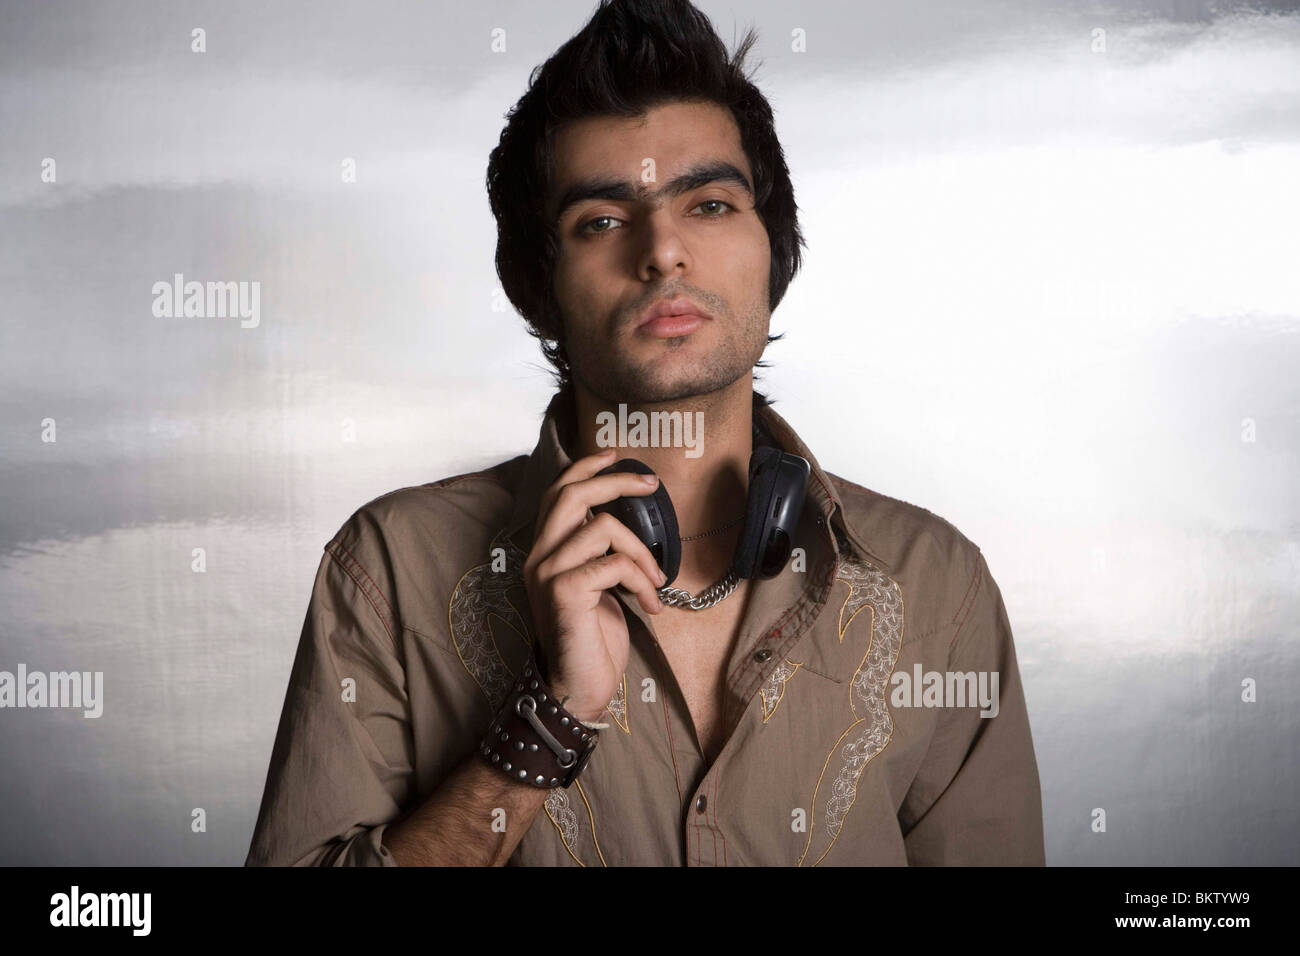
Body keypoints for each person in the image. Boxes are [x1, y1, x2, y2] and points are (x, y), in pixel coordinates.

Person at [245, 0, 1044, 867]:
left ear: (774, 252)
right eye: (602, 221)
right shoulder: (391, 570)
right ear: (533, 285)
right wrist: (549, 719)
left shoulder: (935, 583)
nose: (662, 250)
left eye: (708, 203)